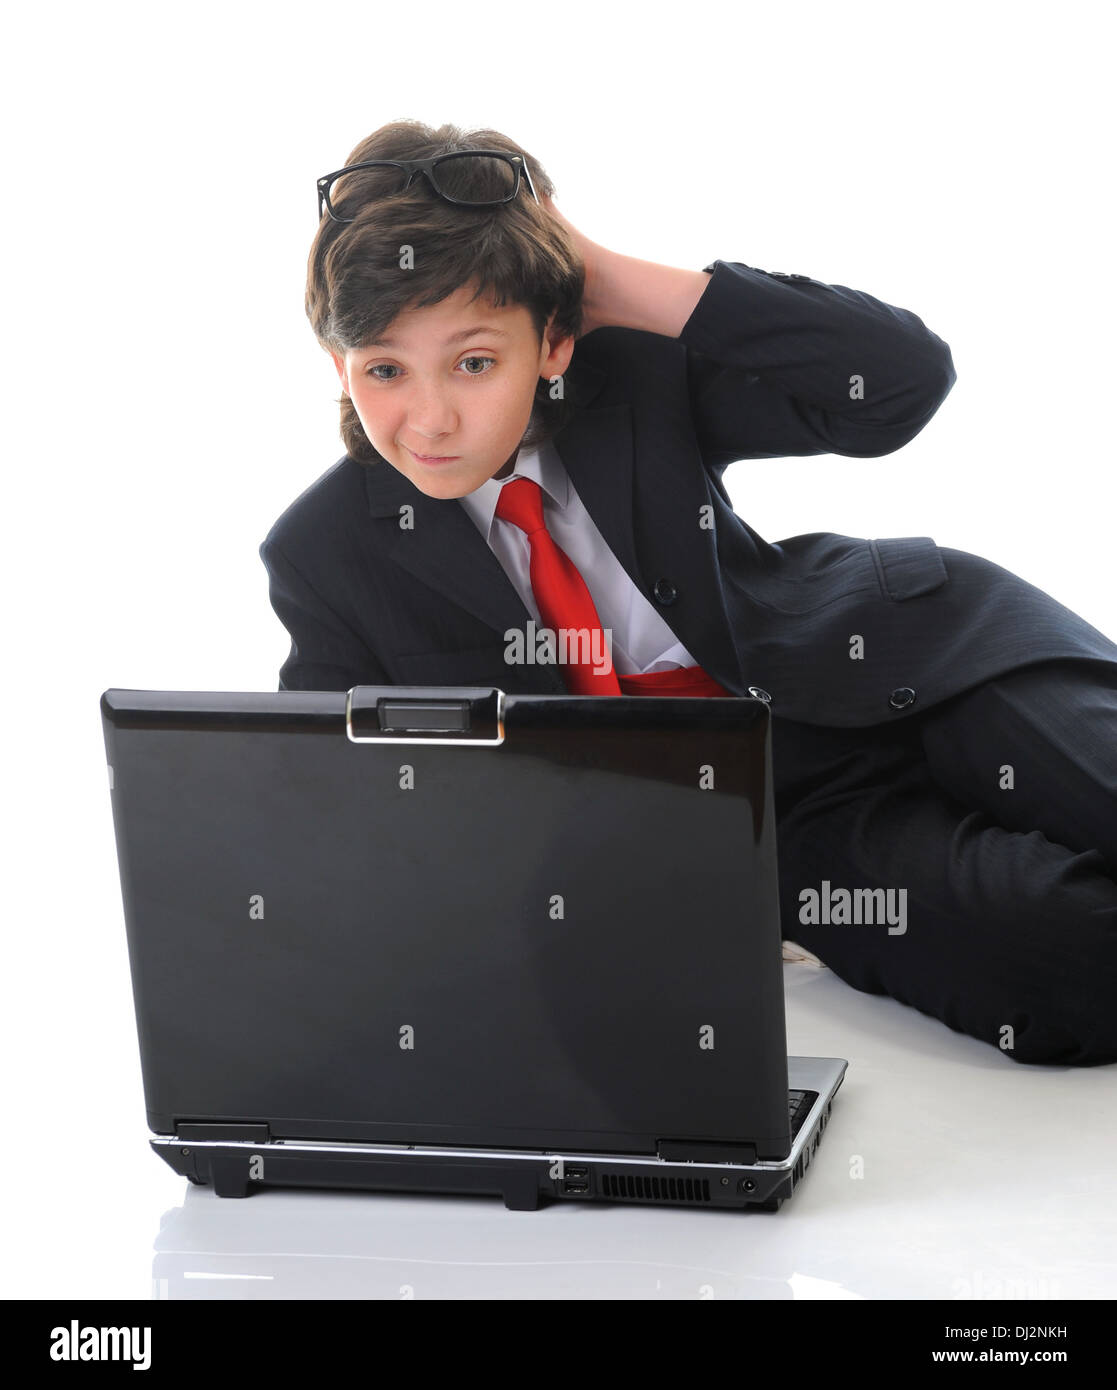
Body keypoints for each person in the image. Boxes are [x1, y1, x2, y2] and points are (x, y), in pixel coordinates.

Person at [260, 119, 1117, 1066]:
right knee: (1071, 965)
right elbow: (347, 813)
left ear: (552, 344)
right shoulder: (322, 553)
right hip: (785, 825)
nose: (428, 419)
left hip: (923, 660)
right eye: (384, 368)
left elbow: (895, 385)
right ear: (339, 364)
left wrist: (591, 273)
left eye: (473, 361)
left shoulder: (627, 379)